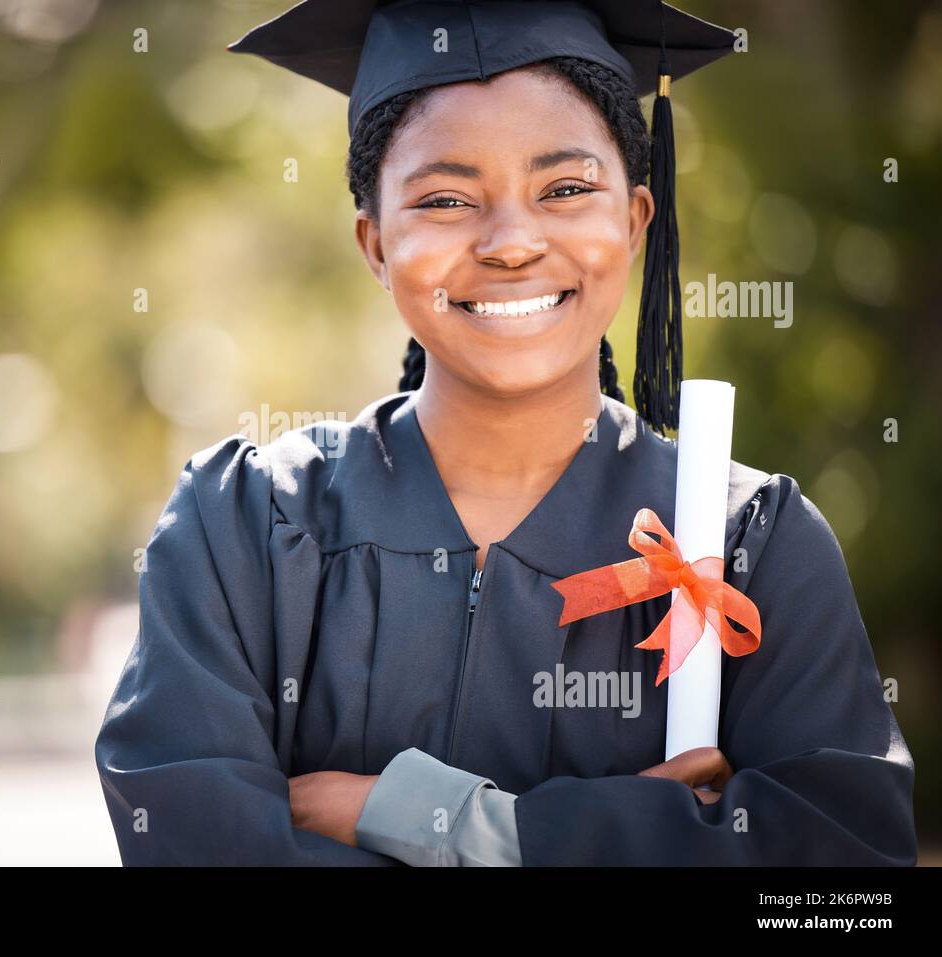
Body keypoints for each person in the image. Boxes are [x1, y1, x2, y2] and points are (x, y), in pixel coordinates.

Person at [93, 0, 918, 866]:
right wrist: (639, 841)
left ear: (636, 222)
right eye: (447, 199)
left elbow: (837, 887)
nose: (513, 242)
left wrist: (450, 822)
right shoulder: (243, 530)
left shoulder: (747, 539)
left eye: (565, 189)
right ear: (375, 246)